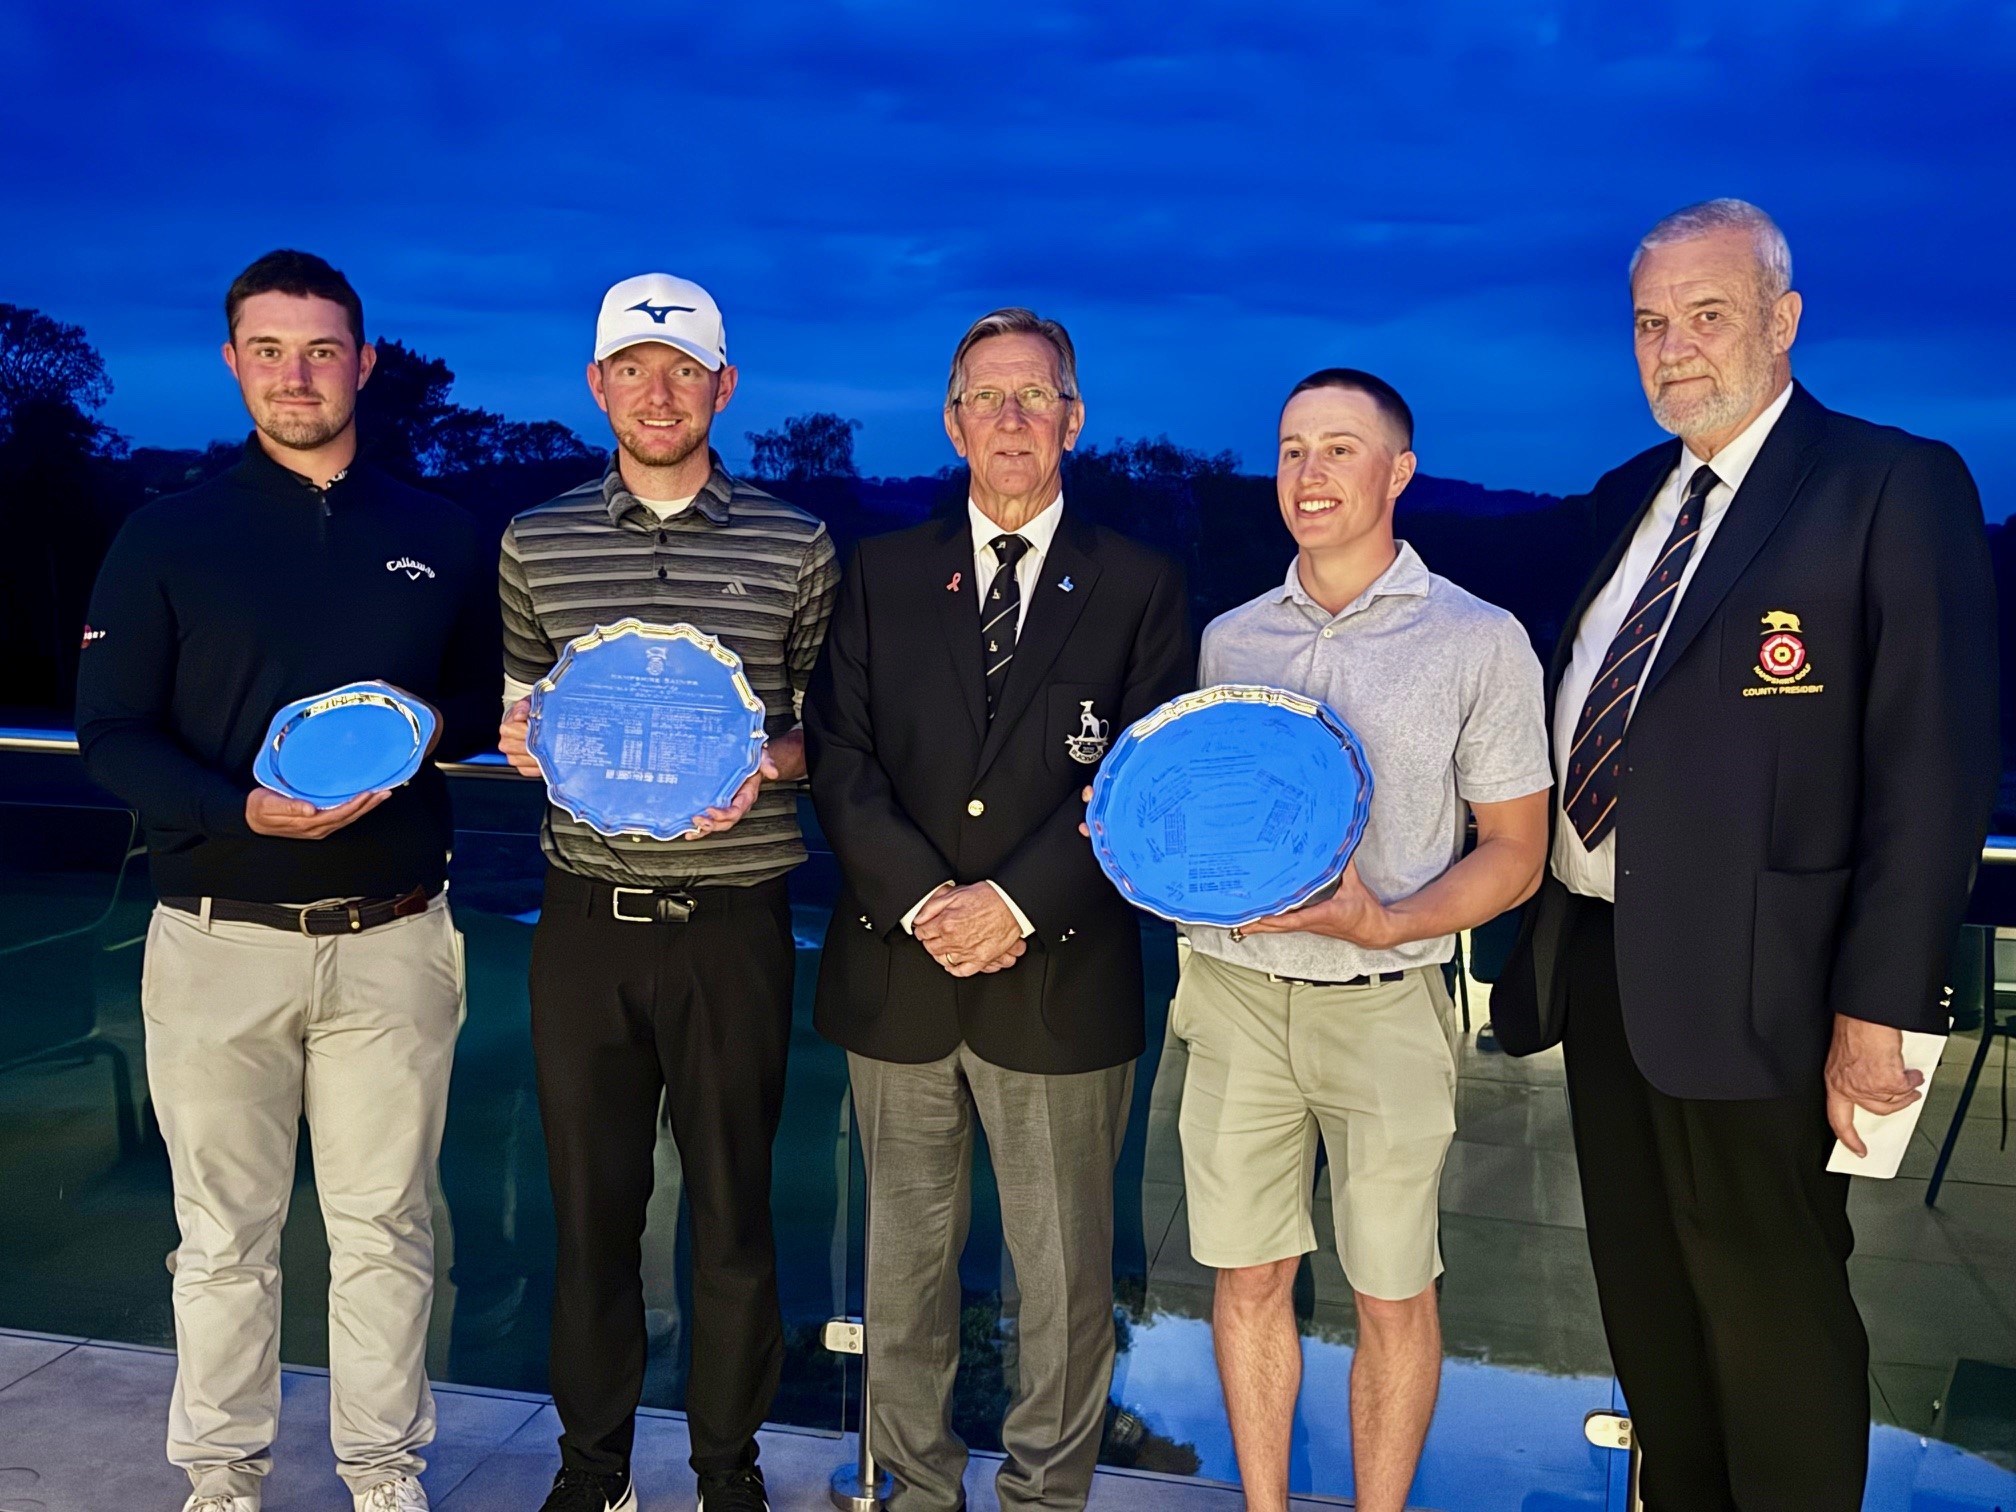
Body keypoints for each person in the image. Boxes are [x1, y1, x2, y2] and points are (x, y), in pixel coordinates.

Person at [1492, 199, 2000, 1512]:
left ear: (1784, 319)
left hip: (1773, 988)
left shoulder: (1892, 485)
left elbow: (1929, 772)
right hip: (1605, 966)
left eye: (1706, 316)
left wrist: (1878, 1009)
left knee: (1771, 1322)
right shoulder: (1623, 499)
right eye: (1651, 323)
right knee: (1651, 1318)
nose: (1673, 349)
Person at [74, 250, 496, 1512]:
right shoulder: (166, 534)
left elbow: (481, 699)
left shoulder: (438, 532)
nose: (296, 373)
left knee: (385, 1230)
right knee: (222, 1241)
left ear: (363, 363)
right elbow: (108, 731)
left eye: (321, 350)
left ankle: (383, 1472)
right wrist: (237, 807)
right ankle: (222, 1476)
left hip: (394, 940)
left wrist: (417, 727)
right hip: (215, 940)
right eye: (270, 349)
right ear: (233, 362)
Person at [804, 308, 1190, 1512]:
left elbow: (1145, 784)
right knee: (904, 1276)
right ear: (953, 421)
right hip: (899, 973)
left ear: (1073, 419)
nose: (1011, 417)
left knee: (1064, 1285)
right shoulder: (879, 574)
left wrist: (1014, 905)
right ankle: (916, 1491)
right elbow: (839, 758)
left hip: (1060, 981)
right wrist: (929, 900)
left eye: (1036, 396)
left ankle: (1042, 1498)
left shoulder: (1141, 585)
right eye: (988, 396)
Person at [1174, 370, 1551, 1512]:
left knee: (1393, 1291)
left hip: (1386, 995)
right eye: (1292, 450)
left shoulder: (1479, 640)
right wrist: (1139, 829)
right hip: (1235, 994)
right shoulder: (1229, 640)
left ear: (1399, 471)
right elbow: (1209, 825)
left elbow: (1516, 852)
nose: (1310, 474)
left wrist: (1385, 918)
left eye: (1341, 449)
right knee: (1247, 1280)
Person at [496, 273, 839, 1512]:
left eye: (682, 369)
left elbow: (828, 729)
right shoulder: (535, 542)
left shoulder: (794, 543)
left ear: (723, 387)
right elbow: (523, 700)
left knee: (735, 1219)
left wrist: (773, 762)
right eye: (633, 368)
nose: (658, 391)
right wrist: (520, 734)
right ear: (597, 385)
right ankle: (592, 1476)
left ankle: (725, 1474)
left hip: (733, 928)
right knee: (591, 1217)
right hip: (583, 925)